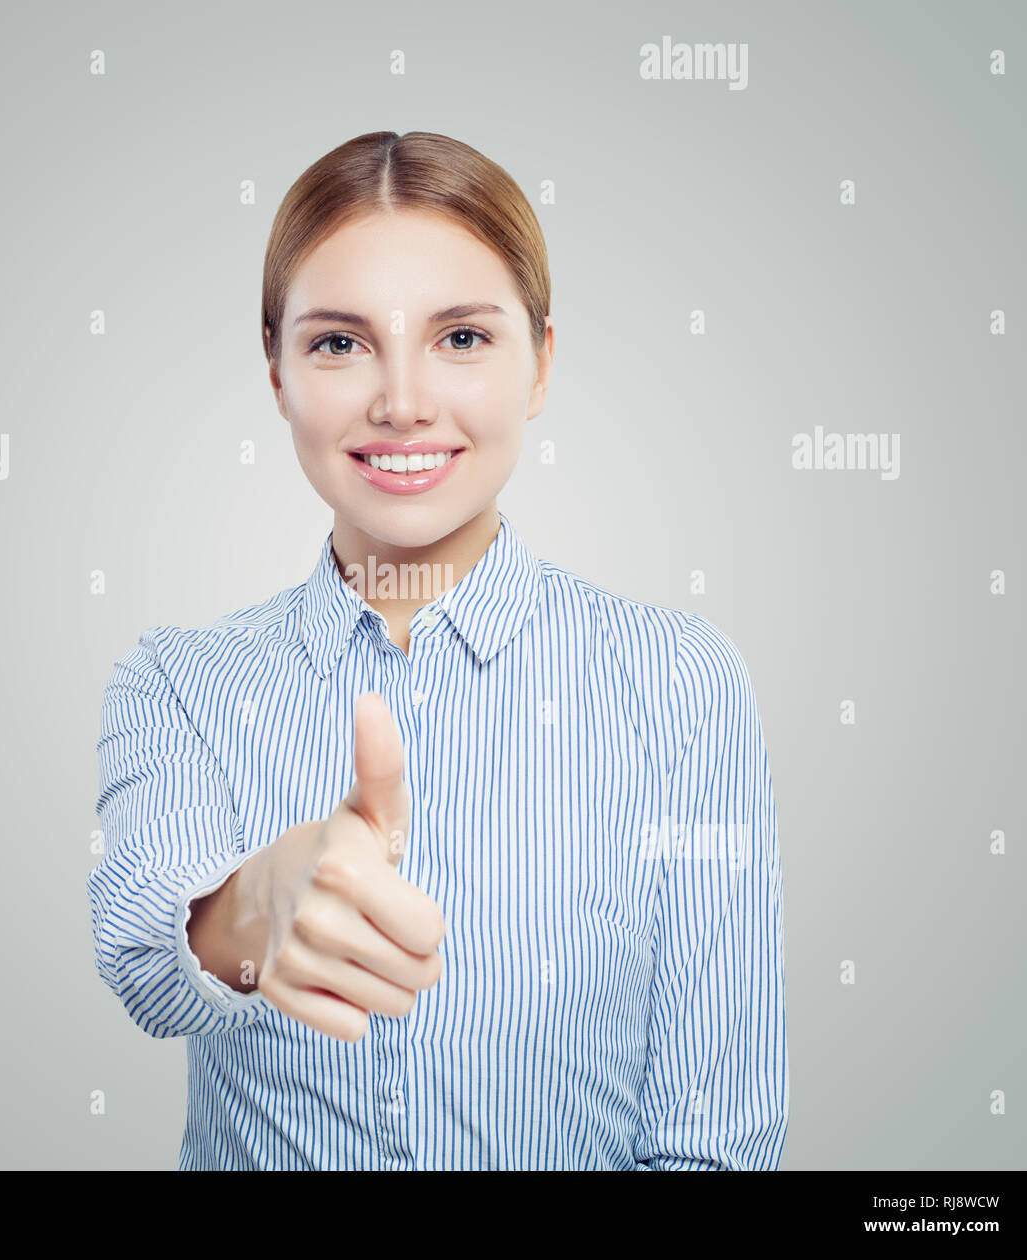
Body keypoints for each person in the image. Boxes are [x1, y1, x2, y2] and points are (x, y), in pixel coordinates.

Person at [88, 130, 788, 1170]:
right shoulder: (178, 682)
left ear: (540, 363)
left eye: (461, 338)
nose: (403, 400)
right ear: (276, 373)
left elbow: (715, 1139)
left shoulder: (679, 682)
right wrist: (252, 909)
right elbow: (146, 965)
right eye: (339, 343)